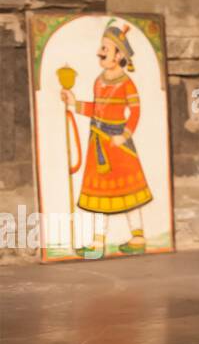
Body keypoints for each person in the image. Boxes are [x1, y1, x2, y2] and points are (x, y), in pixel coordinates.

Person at [59, 22, 154, 258]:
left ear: (120, 54)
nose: (100, 52)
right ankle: (98, 245)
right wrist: (73, 102)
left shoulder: (126, 83)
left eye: (106, 48)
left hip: (117, 143)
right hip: (97, 142)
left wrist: (124, 135)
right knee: (98, 195)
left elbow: (136, 111)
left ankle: (138, 238)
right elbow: (96, 109)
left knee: (130, 192)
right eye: (101, 47)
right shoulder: (98, 81)